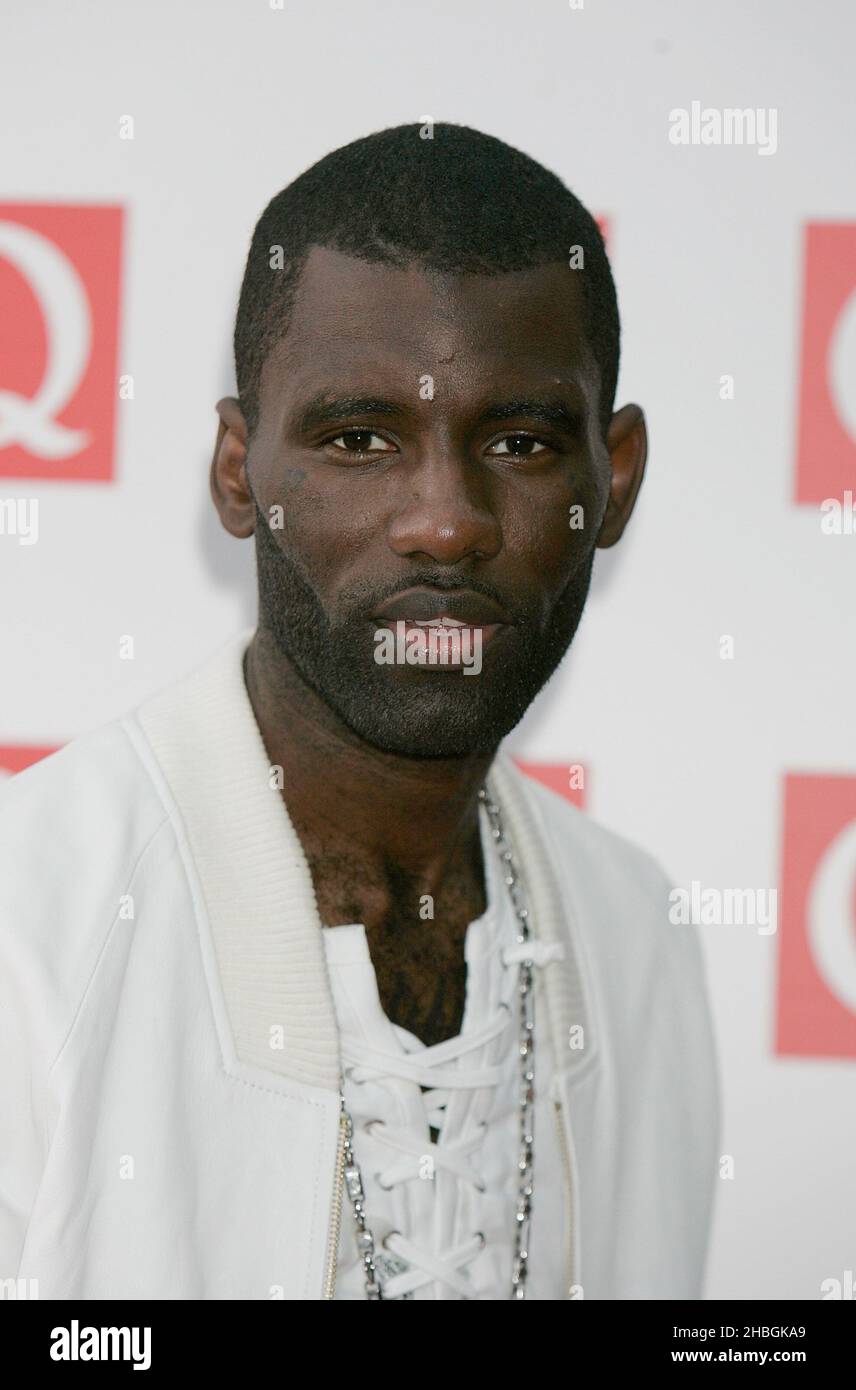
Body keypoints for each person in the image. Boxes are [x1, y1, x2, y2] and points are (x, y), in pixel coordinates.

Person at [0, 122, 719, 1301]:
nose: (445, 520)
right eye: (360, 438)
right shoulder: (30, 929)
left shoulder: (636, 936)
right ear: (240, 471)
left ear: (614, 476)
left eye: (521, 441)